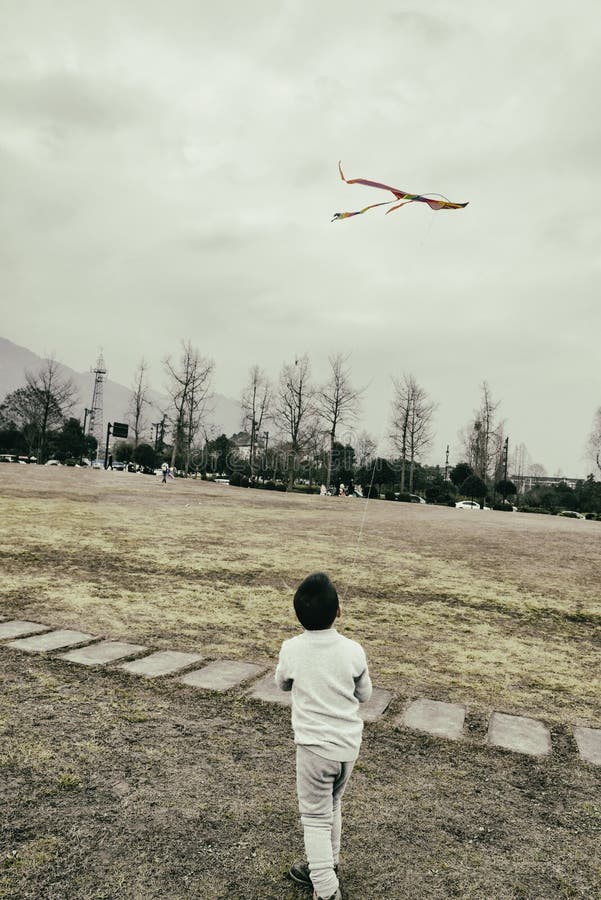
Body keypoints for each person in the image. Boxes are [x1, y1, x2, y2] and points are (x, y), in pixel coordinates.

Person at [275, 573, 372, 900]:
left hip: (315, 750)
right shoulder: (354, 650)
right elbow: (365, 694)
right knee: (332, 804)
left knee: (315, 818)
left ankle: (327, 890)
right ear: (339, 611)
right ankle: (328, 863)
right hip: (347, 748)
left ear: (298, 615)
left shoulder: (291, 648)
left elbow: (282, 683)